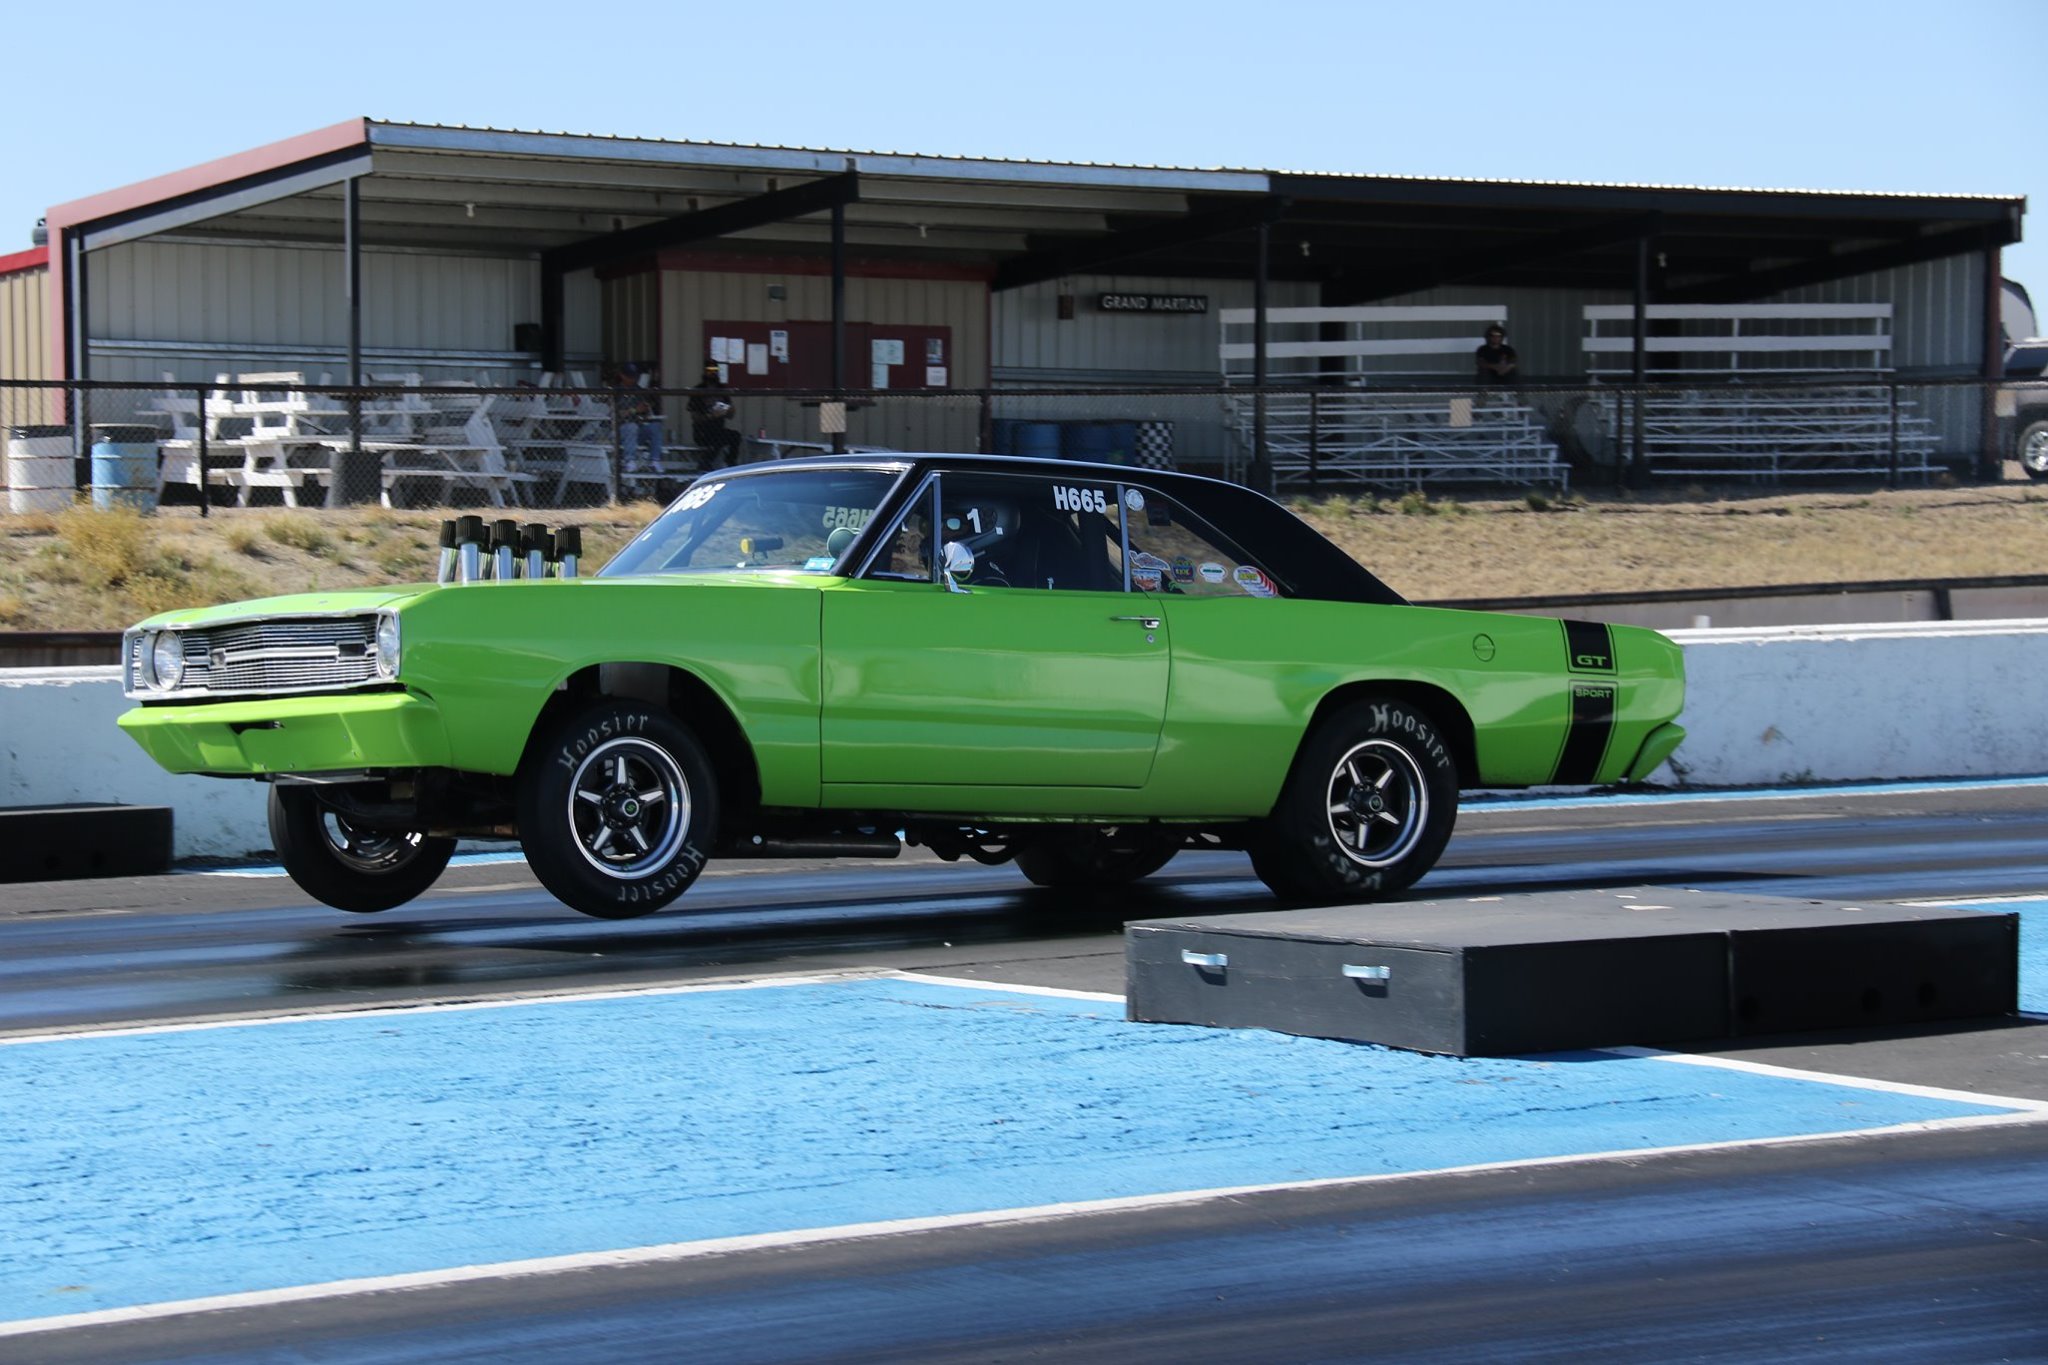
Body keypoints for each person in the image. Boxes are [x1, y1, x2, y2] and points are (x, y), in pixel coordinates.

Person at [688, 362, 743, 468]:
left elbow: (731, 416)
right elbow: (694, 417)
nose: (712, 374)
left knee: (735, 436)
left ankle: (731, 462)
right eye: (710, 371)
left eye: (715, 371)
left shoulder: (722, 390)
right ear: (705, 372)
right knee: (716, 438)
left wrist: (729, 410)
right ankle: (705, 463)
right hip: (702, 431)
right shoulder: (698, 390)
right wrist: (710, 415)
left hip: (719, 428)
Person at [613, 363, 665, 474]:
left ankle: (654, 461)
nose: (633, 379)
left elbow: (646, 414)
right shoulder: (615, 391)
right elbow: (615, 414)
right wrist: (634, 410)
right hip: (618, 432)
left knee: (655, 426)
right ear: (622, 376)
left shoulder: (638, 390)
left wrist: (646, 410)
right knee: (631, 427)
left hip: (638, 429)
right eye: (630, 376)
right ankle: (630, 461)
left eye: (634, 376)